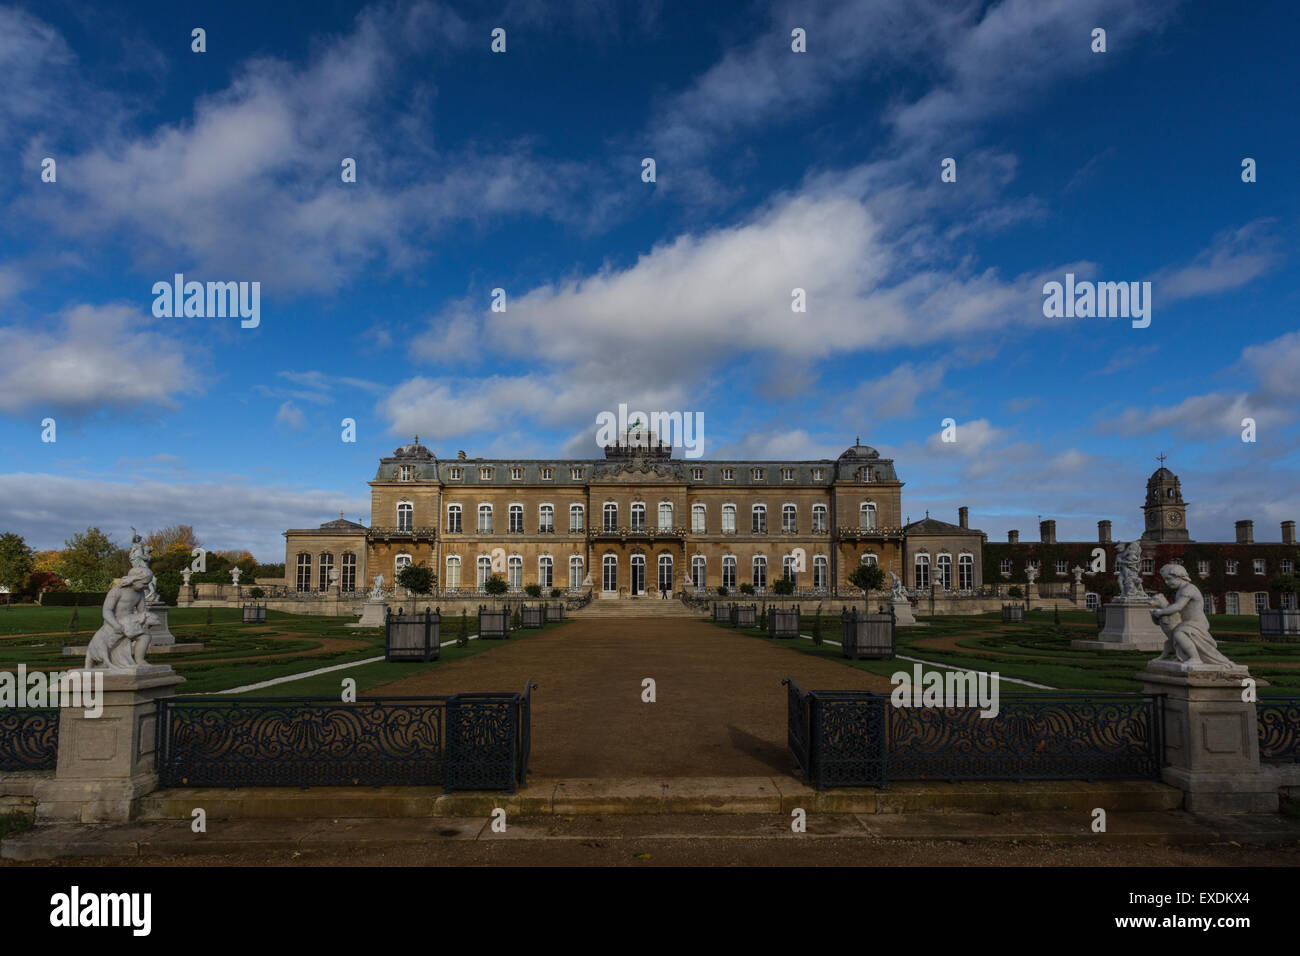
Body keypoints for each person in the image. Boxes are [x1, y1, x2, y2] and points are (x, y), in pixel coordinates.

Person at [1150, 563, 1234, 668]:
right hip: (1187, 622)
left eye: (1168, 579)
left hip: (1197, 622)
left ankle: (1195, 658)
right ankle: (1183, 656)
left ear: (1179, 577)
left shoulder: (1189, 589)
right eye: (1165, 580)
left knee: (1179, 634)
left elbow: (1178, 607)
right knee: (1176, 633)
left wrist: (1161, 612)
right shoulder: (1180, 590)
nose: (1166, 582)